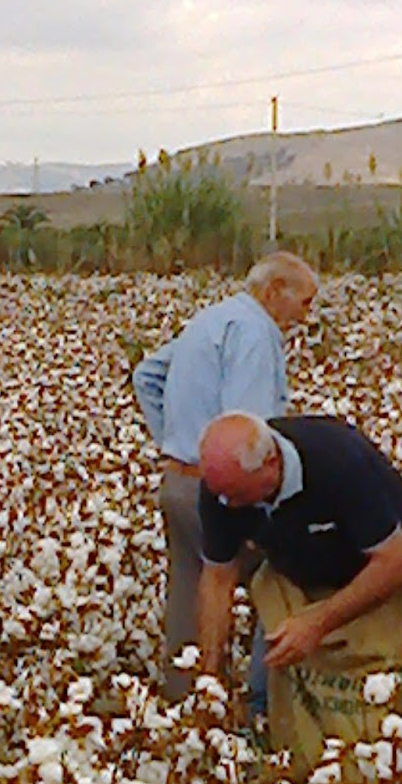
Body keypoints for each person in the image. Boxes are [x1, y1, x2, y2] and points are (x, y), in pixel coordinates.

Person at [196, 412, 402, 771]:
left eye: (237, 495)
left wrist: (317, 623)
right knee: (268, 695)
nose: (228, 506)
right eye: (221, 496)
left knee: (388, 706)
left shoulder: (340, 465)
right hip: (295, 577)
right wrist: (209, 677)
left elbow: (394, 562)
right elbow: (217, 578)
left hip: (374, 579)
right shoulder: (221, 491)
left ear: (271, 464)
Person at [132, 252, 318, 701]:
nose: (307, 315)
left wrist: (174, 441)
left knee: (189, 589)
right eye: (306, 302)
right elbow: (249, 430)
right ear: (275, 292)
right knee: (276, 580)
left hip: (179, 481)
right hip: (223, 488)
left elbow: (147, 374)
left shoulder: (213, 319)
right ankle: (263, 706)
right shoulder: (255, 333)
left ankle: (184, 707)